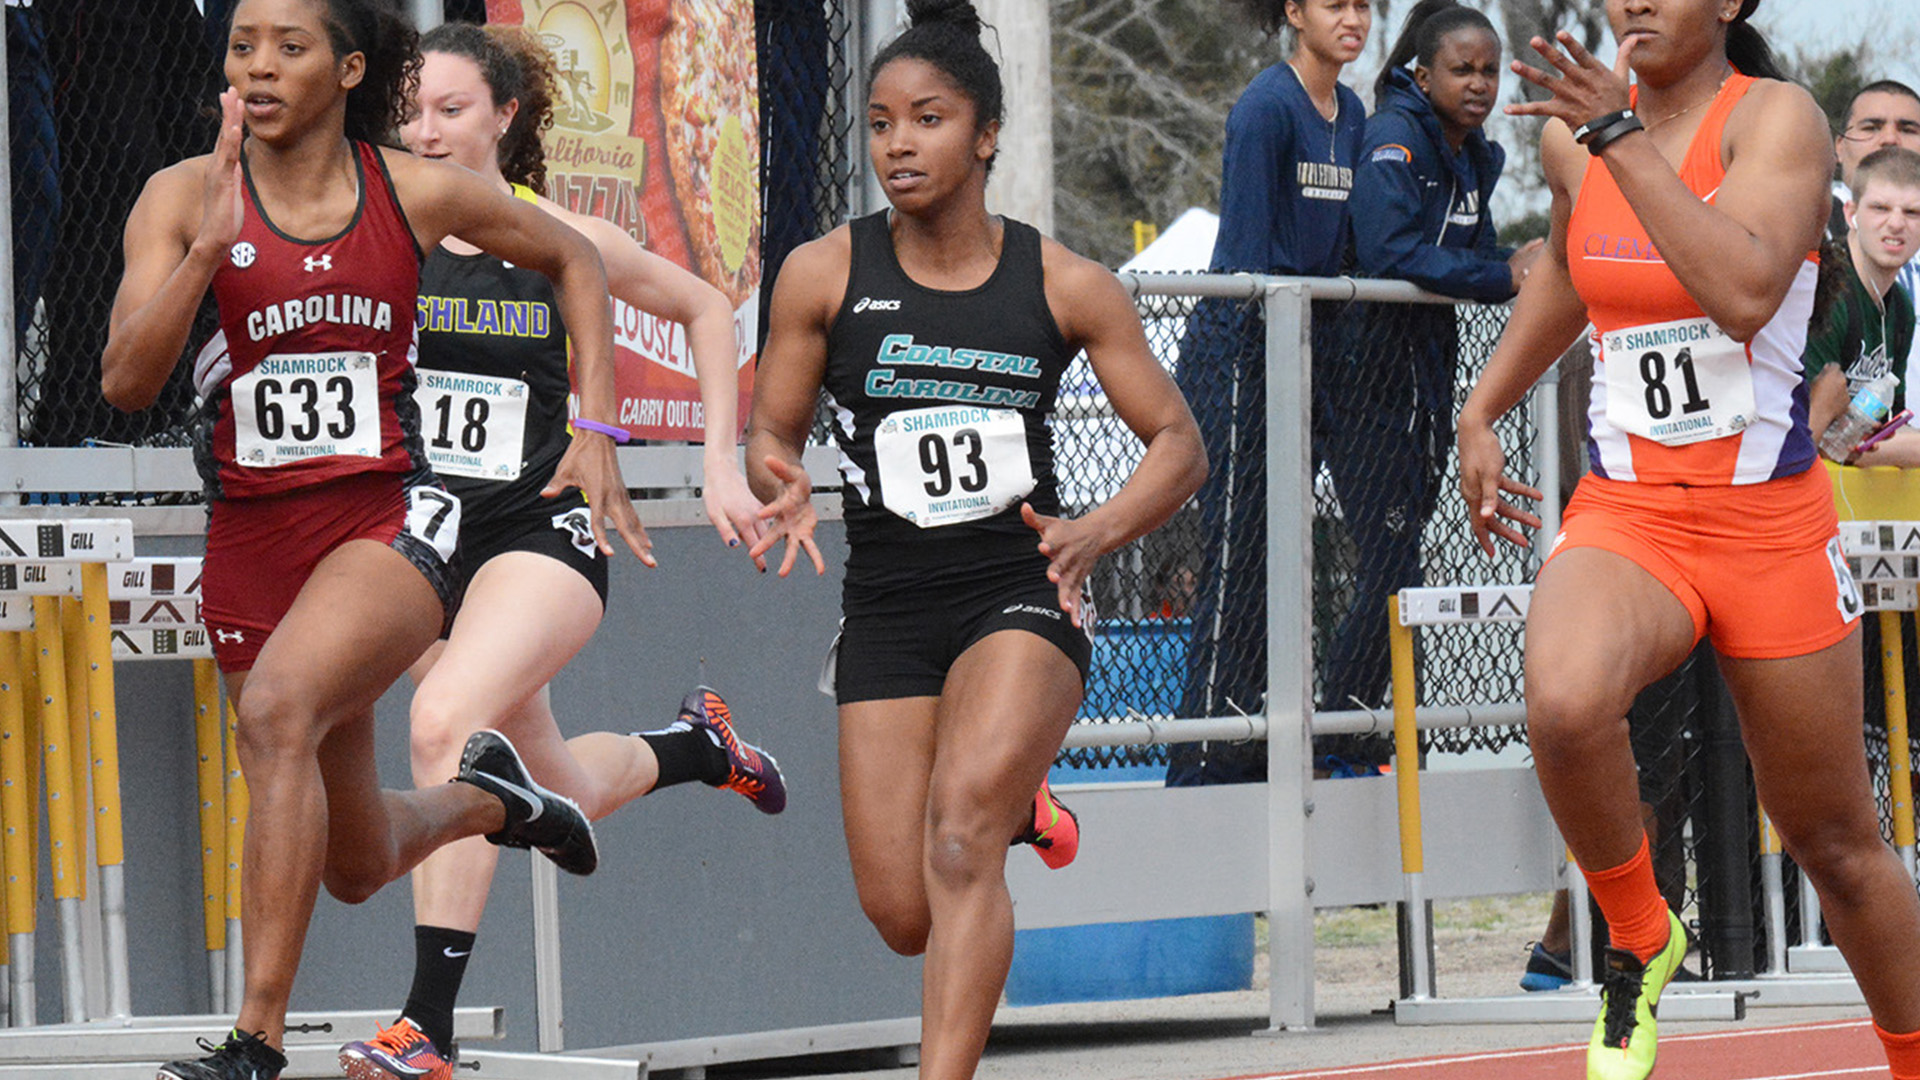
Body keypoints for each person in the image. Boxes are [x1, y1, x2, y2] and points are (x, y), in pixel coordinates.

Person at [100, 2, 630, 1077]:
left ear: (347, 68)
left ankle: (254, 1041)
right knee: (358, 860)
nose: (258, 66)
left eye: (288, 47)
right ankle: (503, 797)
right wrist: (205, 252)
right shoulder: (176, 198)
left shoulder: (412, 188)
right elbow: (124, 382)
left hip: (386, 521)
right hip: (253, 534)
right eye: (243, 45)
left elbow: (577, 260)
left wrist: (599, 427)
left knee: (279, 711)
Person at [1458, 0, 1920, 1076]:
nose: (1636, 3)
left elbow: (1747, 289)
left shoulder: (1779, 121)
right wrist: (1481, 407)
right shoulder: (1574, 138)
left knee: (1837, 846)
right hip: (1634, 512)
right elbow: (1578, 273)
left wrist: (1620, 139)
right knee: (1565, 701)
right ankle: (1640, 930)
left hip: (1768, 522)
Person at [745, 3, 1207, 1076]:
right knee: (904, 911)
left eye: (929, 119)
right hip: (891, 604)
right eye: (879, 123)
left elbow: (1178, 442)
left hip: (1022, 586)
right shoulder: (823, 275)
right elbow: (774, 425)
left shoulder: (1063, 285)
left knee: (959, 841)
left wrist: (1099, 528)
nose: (898, 144)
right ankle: (1021, 801)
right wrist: (778, 473)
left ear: (985, 135)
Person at [329, 23, 787, 1080]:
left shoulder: (557, 237)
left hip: (538, 534)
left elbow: (709, 309)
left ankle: (424, 1028)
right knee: (558, 782)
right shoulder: (377, 236)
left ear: (504, 115)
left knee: (447, 721)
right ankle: (699, 748)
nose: (427, 130)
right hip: (420, 547)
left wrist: (717, 463)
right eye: (412, 111)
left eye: (452, 109)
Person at [1171, 0, 1372, 785]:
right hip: (1238, 359)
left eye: (1363, 6)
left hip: (1306, 361)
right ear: (1295, 11)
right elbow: (1250, 257)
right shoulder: (1265, 107)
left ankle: (1261, 740)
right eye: (1335, 4)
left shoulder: (1353, 112)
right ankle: (1199, 761)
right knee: (1236, 559)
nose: (1352, 19)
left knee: (1286, 560)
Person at [1332, 0, 1539, 718]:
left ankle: (1368, 729)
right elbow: (1391, 251)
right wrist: (1501, 274)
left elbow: (1474, 256)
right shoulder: (1395, 137)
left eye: (1488, 70)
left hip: (1426, 376)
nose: (1479, 84)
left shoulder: (1477, 155)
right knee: (1393, 569)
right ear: (1422, 76)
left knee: (1402, 566)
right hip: (1363, 378)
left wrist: (1513, 262)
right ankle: (1339, 728)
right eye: (1461, 70)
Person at [1809, 146, 1920, 465]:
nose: (1896, 224)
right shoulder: (1826, 286)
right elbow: (1815, 438)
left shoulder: (1900, 307)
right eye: (1880, 208)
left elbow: (1891, 427)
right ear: (1850, 214)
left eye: (1912, 213)